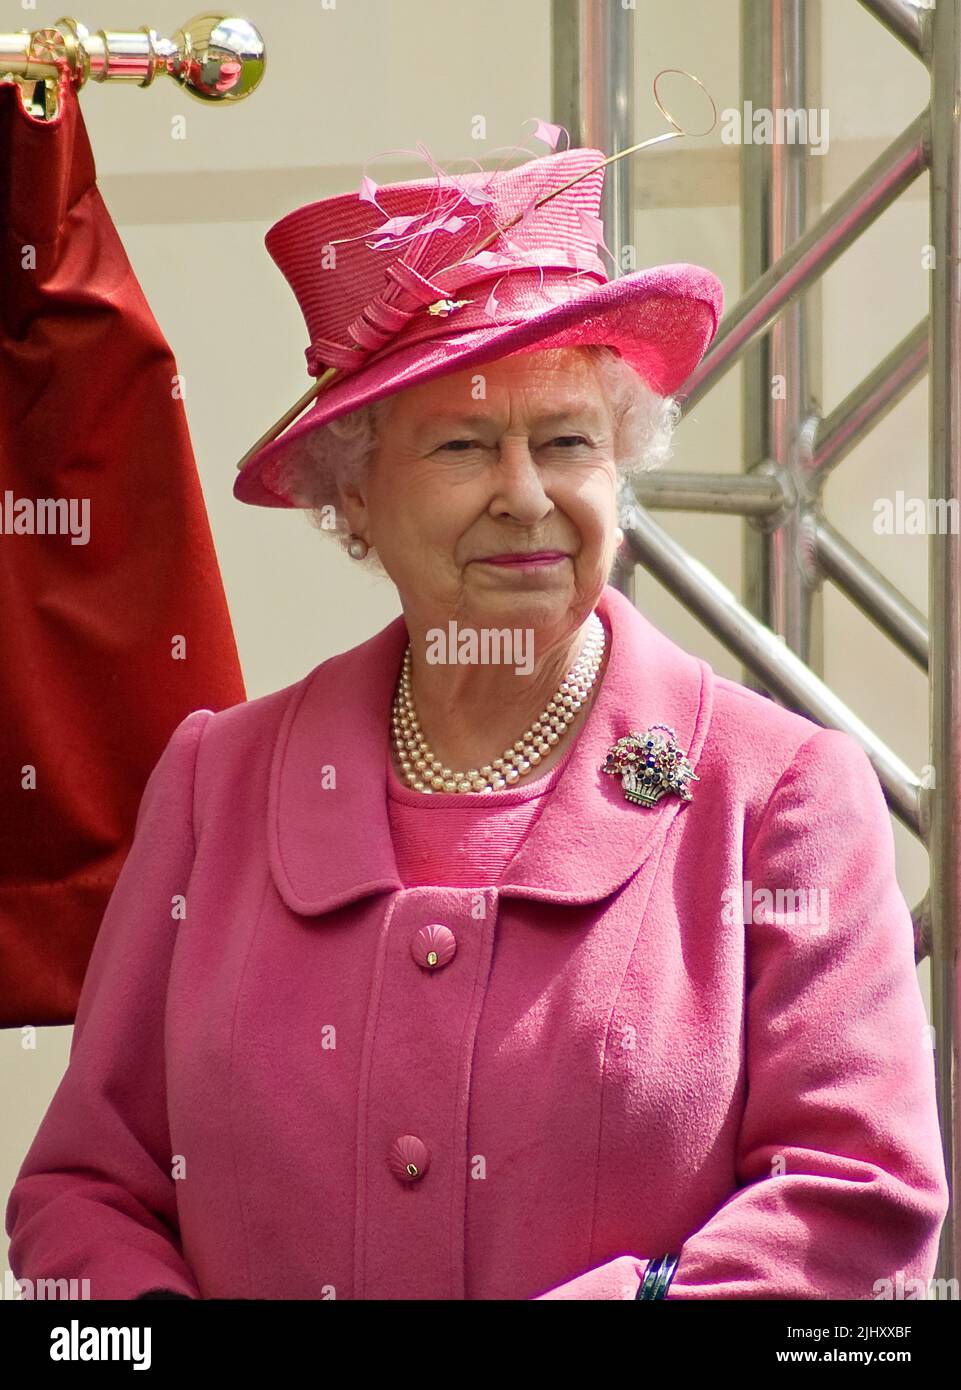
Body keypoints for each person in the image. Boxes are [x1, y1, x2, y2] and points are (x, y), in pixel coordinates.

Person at [5, 144, 948, 1300]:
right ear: (352, 492)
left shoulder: (779, 792)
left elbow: (859, 1204)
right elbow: (83, 1193)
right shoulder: (219, 780)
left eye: (566, 442)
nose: (524, 494)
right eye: (462, 444)